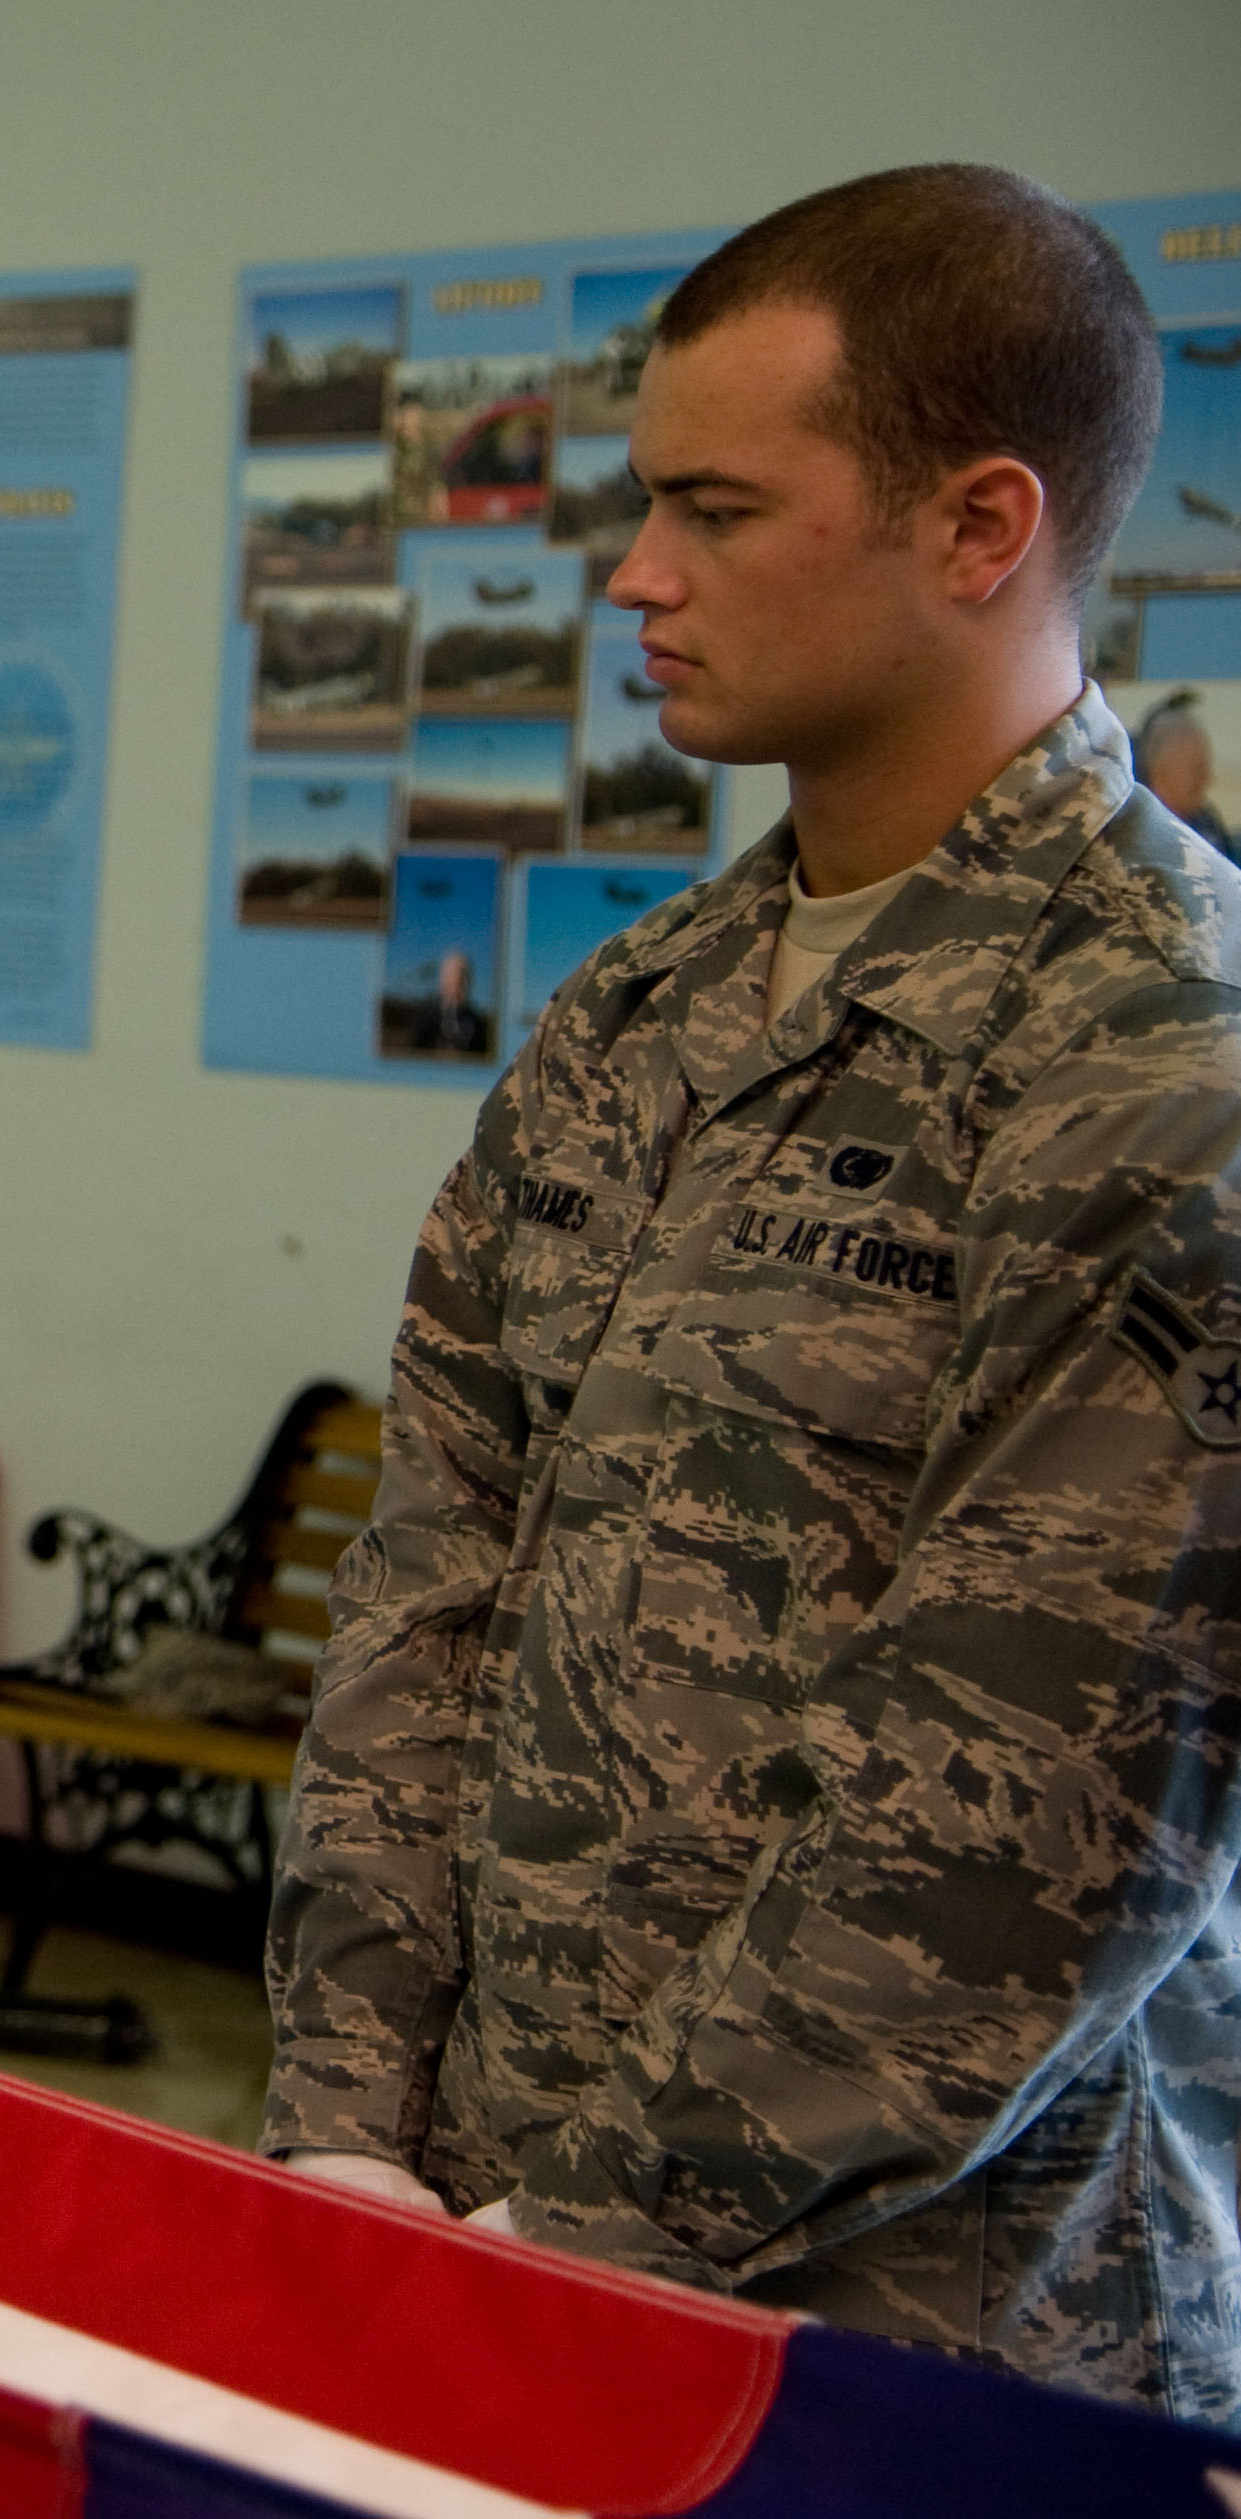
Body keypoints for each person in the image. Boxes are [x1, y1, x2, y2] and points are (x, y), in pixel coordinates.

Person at [267, 162, 1241, 2418]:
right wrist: (338, 2130)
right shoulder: (644, 1013)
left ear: (981, 525)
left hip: (936, 2339)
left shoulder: (1159, 1058)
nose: (635, 573)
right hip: (484, 2249)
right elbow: (431, 1589)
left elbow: (1021, 1814)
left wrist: (583, 2245)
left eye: (715, 505)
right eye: (642, 500)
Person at [1136, 688, 1232, 850]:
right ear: (1160, 772)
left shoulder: (1208, 826)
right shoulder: (1130, 831)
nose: (1207, 778)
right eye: (1197, 769)